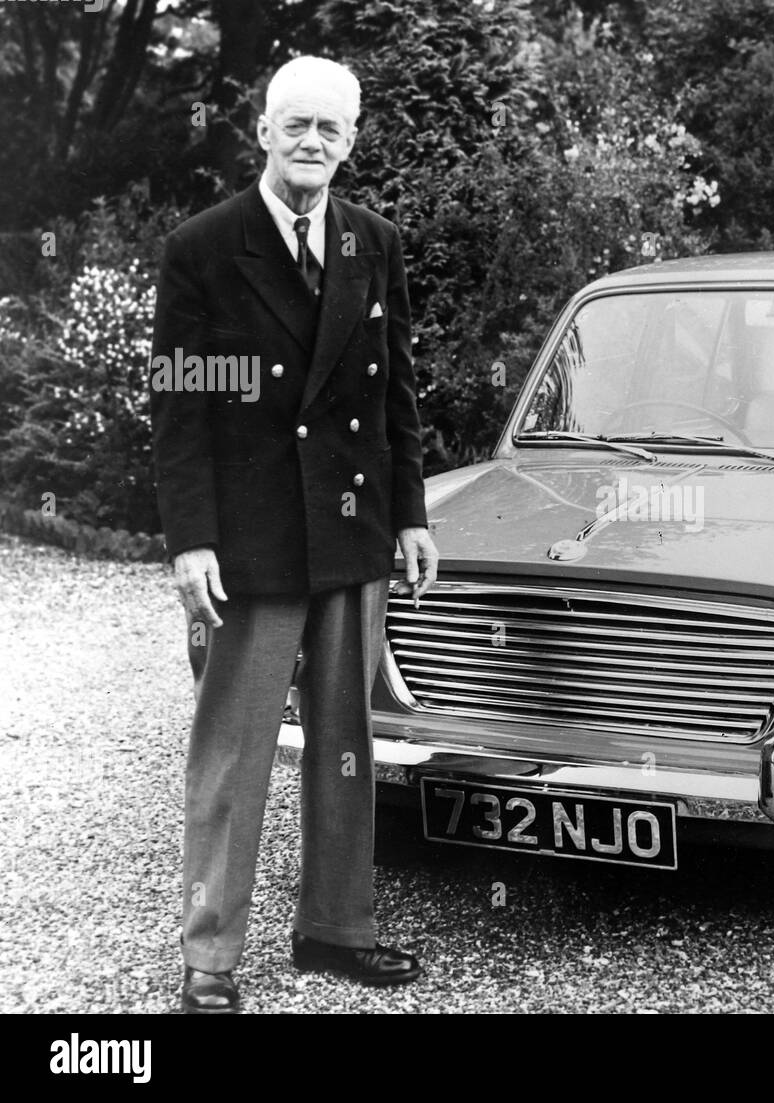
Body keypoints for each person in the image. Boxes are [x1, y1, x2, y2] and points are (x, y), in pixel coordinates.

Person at [149, 55, 438, 1014]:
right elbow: (182, 411)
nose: (312, 143)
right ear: (264, 133)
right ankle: (211, 956)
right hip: (253, 547)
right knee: (232, 752)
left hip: (352, 535)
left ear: (351, 143)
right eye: (297, 125)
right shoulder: (203, 247)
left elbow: (394, 388)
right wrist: (191, 538)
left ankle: (335, 929)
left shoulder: (375, 243)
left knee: (346, 743)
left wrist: (408, 513)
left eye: (331, 130)